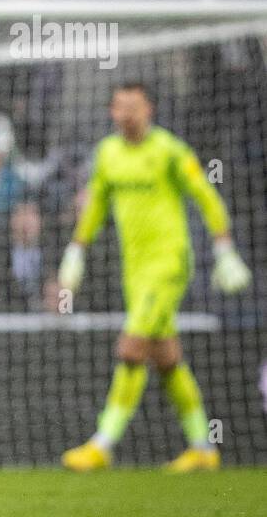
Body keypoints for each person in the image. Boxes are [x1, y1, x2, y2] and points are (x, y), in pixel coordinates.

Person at [58, 83, 252, 473]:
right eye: (120, 106)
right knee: (166, 358)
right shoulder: (108, 153)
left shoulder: (170, 151)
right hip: (134, 270)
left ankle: (102, 443)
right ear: (112, 112)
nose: (128, 113)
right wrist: (76, 249)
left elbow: (206, 196)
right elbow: (96, 203)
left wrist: (224, 248)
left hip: (168, 265)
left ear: (150, 109)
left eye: (135, 106)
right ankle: (202, 446)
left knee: (131, 349)